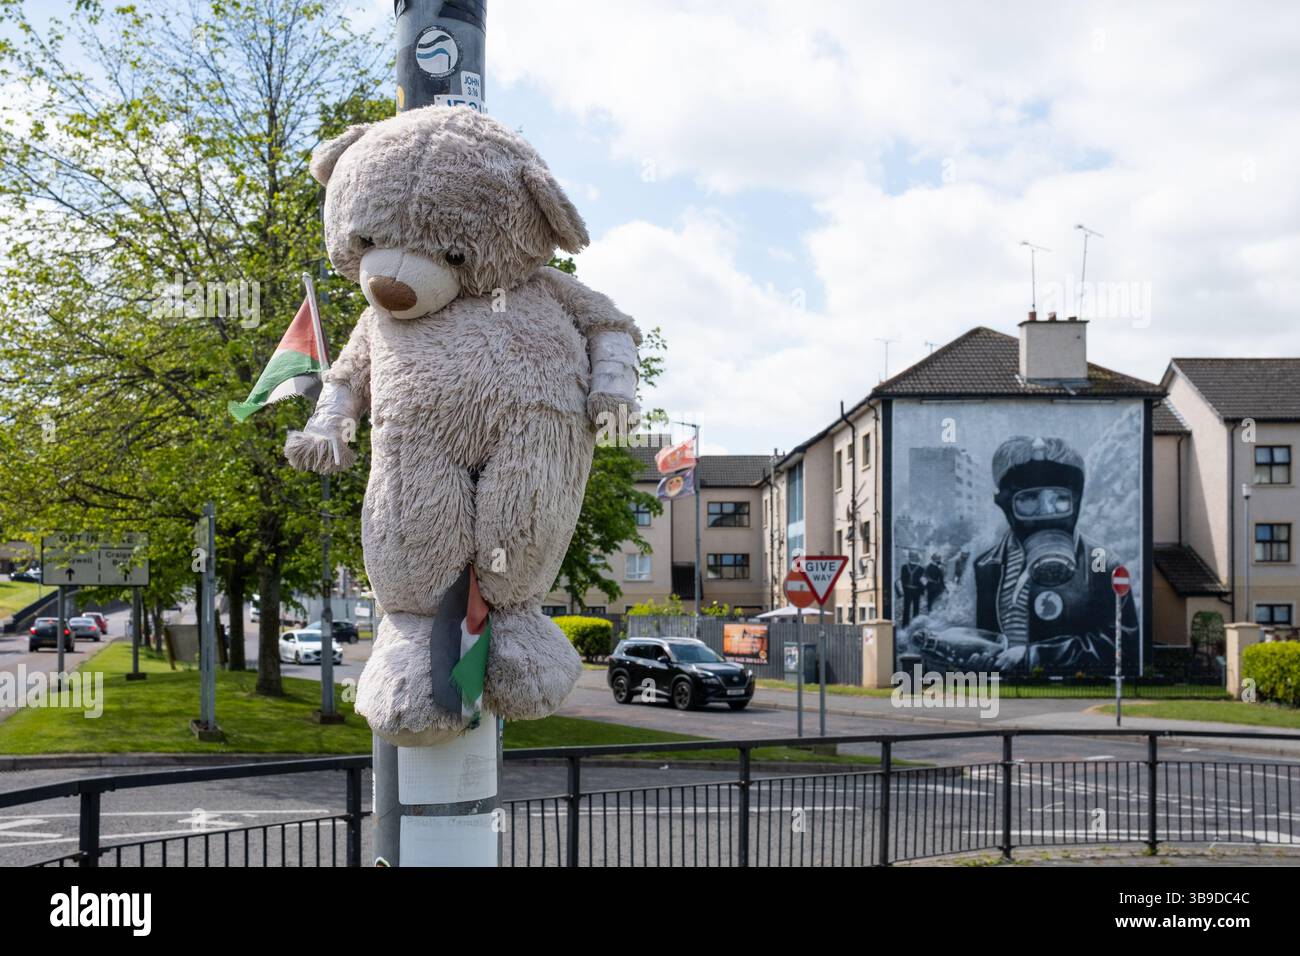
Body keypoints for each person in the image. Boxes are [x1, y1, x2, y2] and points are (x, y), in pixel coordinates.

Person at [973, 436, 1137, 673]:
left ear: (1076, 500)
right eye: (1029, 499)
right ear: (1006, 504)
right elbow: (988, 638)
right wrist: (982, 656)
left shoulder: (1099, 562)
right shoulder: (988, 565)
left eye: (1060, 499)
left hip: (1065, 688)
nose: (1046, 512)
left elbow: (1122, 641)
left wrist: (1036, 657)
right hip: (1005, 693)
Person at [897, 550, 926, 626]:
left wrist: (903, 590)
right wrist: (922, 591)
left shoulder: (904, 567)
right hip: (916, 591)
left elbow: (902, 580)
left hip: (907, 590)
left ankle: (905, 625)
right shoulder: (921, 569)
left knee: (906, 608)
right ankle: (914, 626)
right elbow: (923, 583)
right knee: (916, 608)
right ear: (917, 559)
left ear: (909, 558)